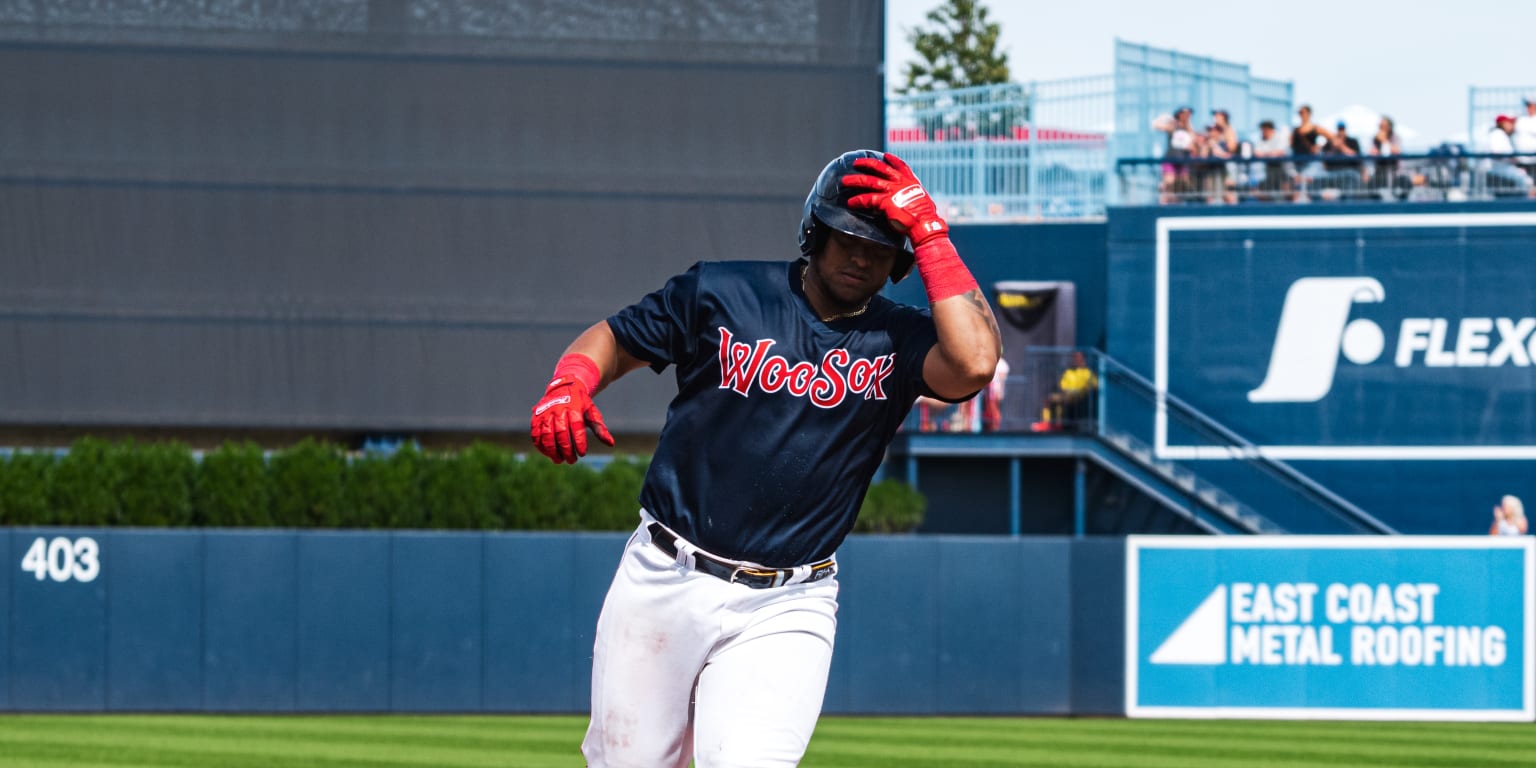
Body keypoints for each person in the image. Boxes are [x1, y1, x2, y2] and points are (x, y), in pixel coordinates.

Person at [529, 149, 1001, 767]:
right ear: (815, 232)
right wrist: (572, 380)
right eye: (847, 237)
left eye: (881, 245)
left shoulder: (900, 338)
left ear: (899, 262)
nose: (860, 255)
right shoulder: (723, 291)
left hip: (789, 600)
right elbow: (618, 338)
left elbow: (974, 362)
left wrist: (931, 234)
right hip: (666, 575)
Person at [1045, 350, 1099, 432]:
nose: (1075, 360)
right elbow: (1063, 384)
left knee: (1063, 400)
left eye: (1078, 358)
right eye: (1074, 358)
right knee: (1050, 399)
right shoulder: (1069, 372)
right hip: (1068, 394)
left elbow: (1095, 385)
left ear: (1083, 359)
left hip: (1079, 395)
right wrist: (1066, 390)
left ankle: (1058, 424)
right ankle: (1049, 424)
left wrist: (1085, 388)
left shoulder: (1088, 373)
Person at [1152, 106, 1197, 203]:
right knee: (1169, 184)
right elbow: (1155, 125)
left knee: (1181, 187)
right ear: (1179, 114)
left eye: (1189, 114)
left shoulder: (1189, 129)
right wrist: (1165, 117)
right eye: (1185, 113)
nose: (1187, 116)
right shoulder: (1173, 127)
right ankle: (1163, 205)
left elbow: (1193, 143)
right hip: (1171, 160)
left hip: (1183, 162)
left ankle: (1176, 205)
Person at [1485, 115, 1536, 197]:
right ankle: (1528, 202)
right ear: (1503, 124)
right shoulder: (1497, 134)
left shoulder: (1502, 135)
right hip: (1499, 169)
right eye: (1510, 123)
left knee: (1525, 178)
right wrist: (1512, 159)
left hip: (1502, 168)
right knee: (1526, 180)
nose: (1513, 125)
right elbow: (1497, 153)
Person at [1252, 119, 1291, 200]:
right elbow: (1257, 153)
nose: (1263, 132)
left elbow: (1280, 152)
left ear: (1270, 129)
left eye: (1264, 130)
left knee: (1288, 192)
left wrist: (1266, 154)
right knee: (1258, 193)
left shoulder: (1280, 137)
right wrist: (1270, 154)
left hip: (1282, 171)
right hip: (1267, 173)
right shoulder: (1261, 140)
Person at [1370, 116, 1404, 198]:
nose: (1381, 128)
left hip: (1394, 171)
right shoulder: (1376, 139)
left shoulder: (1396, 137)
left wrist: (1384, 140)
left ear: (1389, 127)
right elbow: (1372, 152)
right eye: (1380, 126)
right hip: (1379, 171)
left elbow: (1397, 151)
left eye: (1383, 126)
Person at [1514, 96, 1536, 182]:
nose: (1528, 108)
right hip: (1522, 160)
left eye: (1530, 105)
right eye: (1527, 105)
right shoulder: (1521, 119)